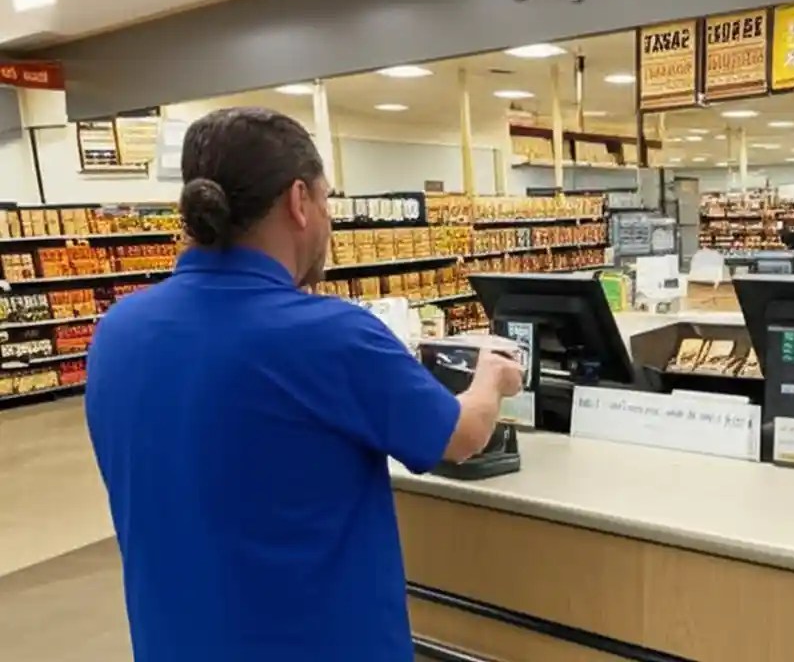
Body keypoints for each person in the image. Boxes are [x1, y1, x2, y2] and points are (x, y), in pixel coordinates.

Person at [85, 107, 524, 662]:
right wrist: (491, 376)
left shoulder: (117, 332)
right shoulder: (330, 335)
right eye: (327, 199)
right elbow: (460, 438)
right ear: (299, 201)